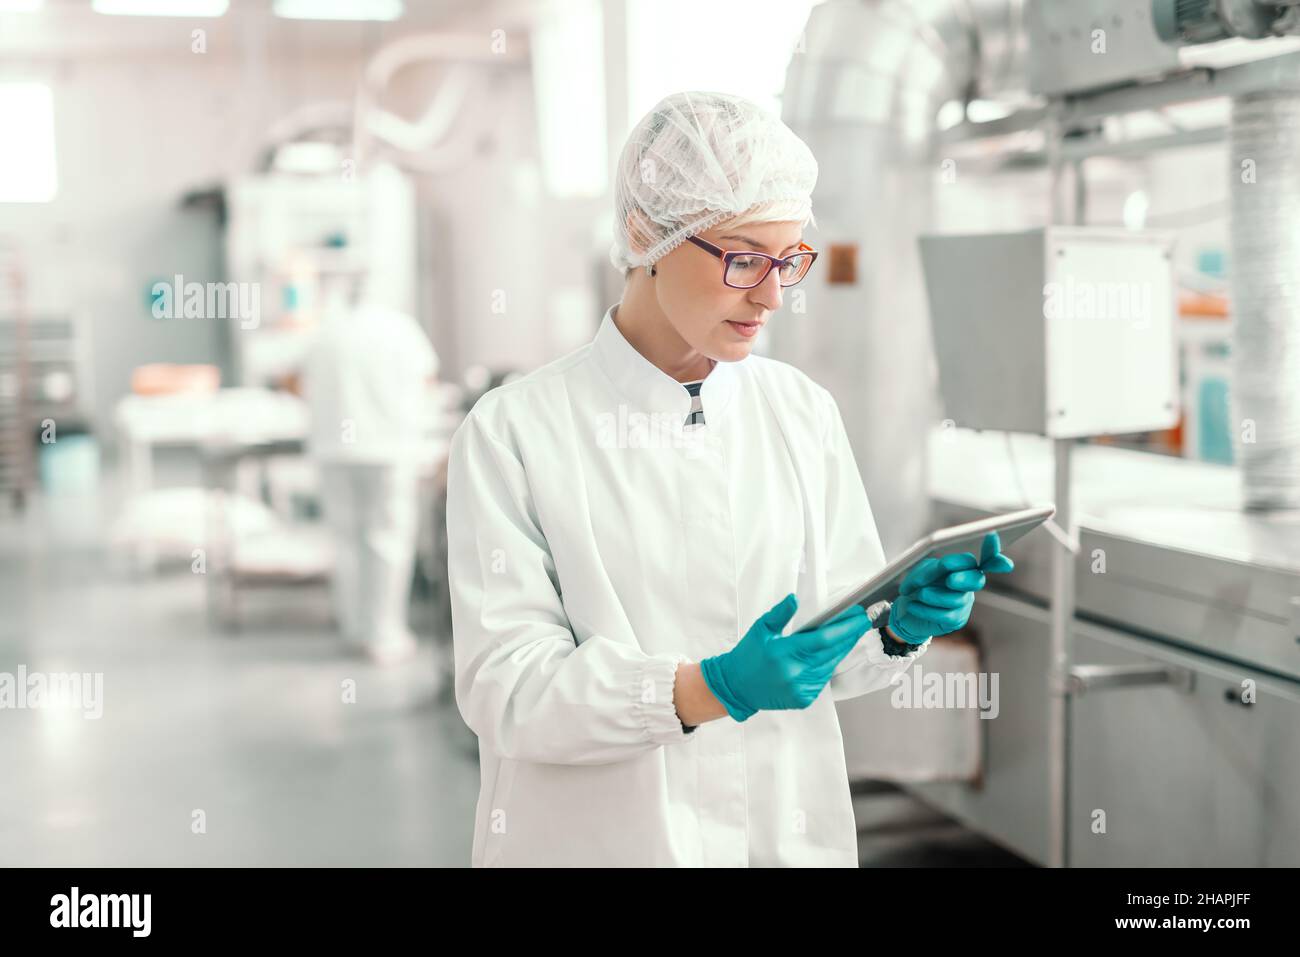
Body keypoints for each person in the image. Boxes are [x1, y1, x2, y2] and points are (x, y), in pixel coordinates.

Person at [445, 91, 1012, 866]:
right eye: (744, 259)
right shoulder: (515, 431)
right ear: (646, 234)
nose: (773, 295)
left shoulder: (799, 411)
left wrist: (892, 625)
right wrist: (703, 689)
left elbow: (820, 648)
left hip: (781, 838)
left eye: (789, 261)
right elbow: (505, 690)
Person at [304, 271, 438, 666]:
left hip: (334, 449)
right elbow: (427, 382)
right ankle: (384, 634)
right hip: (388, 448)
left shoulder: (327, 332)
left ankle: (354, 627)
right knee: (388, 540)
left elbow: (302, 383)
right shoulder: (400, 329)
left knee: (345, 539)